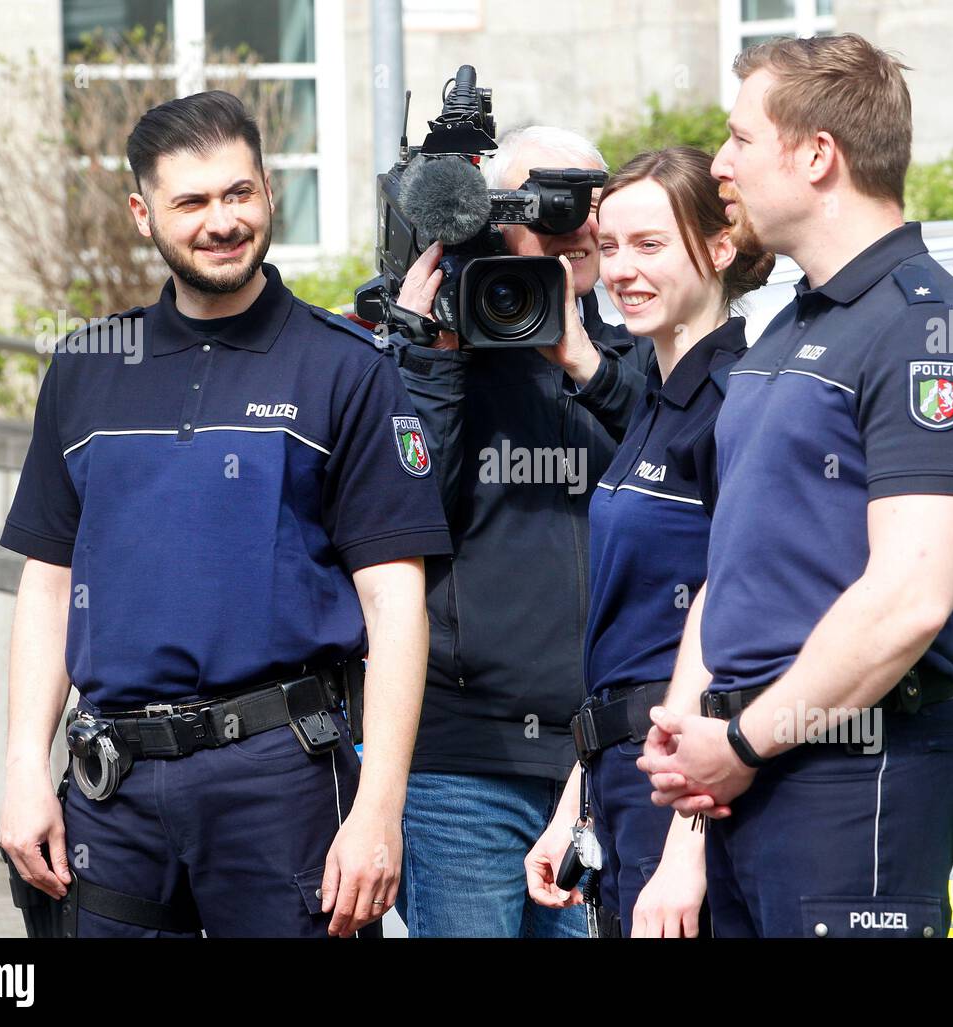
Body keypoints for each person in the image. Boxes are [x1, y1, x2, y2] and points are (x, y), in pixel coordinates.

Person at [0, 90, 452, 938]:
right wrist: (27, 763)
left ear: (269, 191)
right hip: (112, 787)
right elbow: (49, 581)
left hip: (281, 777)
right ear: (143, 213)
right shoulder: (88, 367)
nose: (222, 221)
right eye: (192, 202)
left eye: (239, 193)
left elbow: (397, 605)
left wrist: (380, 808)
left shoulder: (346, 370)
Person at [637, 34, 953, 939]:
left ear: (817, 155)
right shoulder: (780, 334)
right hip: (744, 779)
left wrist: (740, 742)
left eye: (737, 139)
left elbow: (909, 599)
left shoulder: (929, 333)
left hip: (854, 776)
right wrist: (695, 752)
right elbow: (730, 574)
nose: (719, 164)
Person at [388, 126, 653, 938]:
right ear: (493, 217)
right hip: (465, 766)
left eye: (590, 203)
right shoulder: (440, 355)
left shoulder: (639, 355)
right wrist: (429, 359)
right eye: (546, 205)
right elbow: (403, 512)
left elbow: (684, 485)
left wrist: (589, 369)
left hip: (602, 761)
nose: (574, 226)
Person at [522, 147, 772, 937]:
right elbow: (626, 649)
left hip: (692, 794)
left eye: (652, 245)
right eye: (612, 246)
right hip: (624, 783)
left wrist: (687, 850)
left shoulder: (739, 402)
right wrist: (574, 804)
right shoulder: (658, 404)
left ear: (720, 248)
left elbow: (739, 627)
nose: (624, 269)